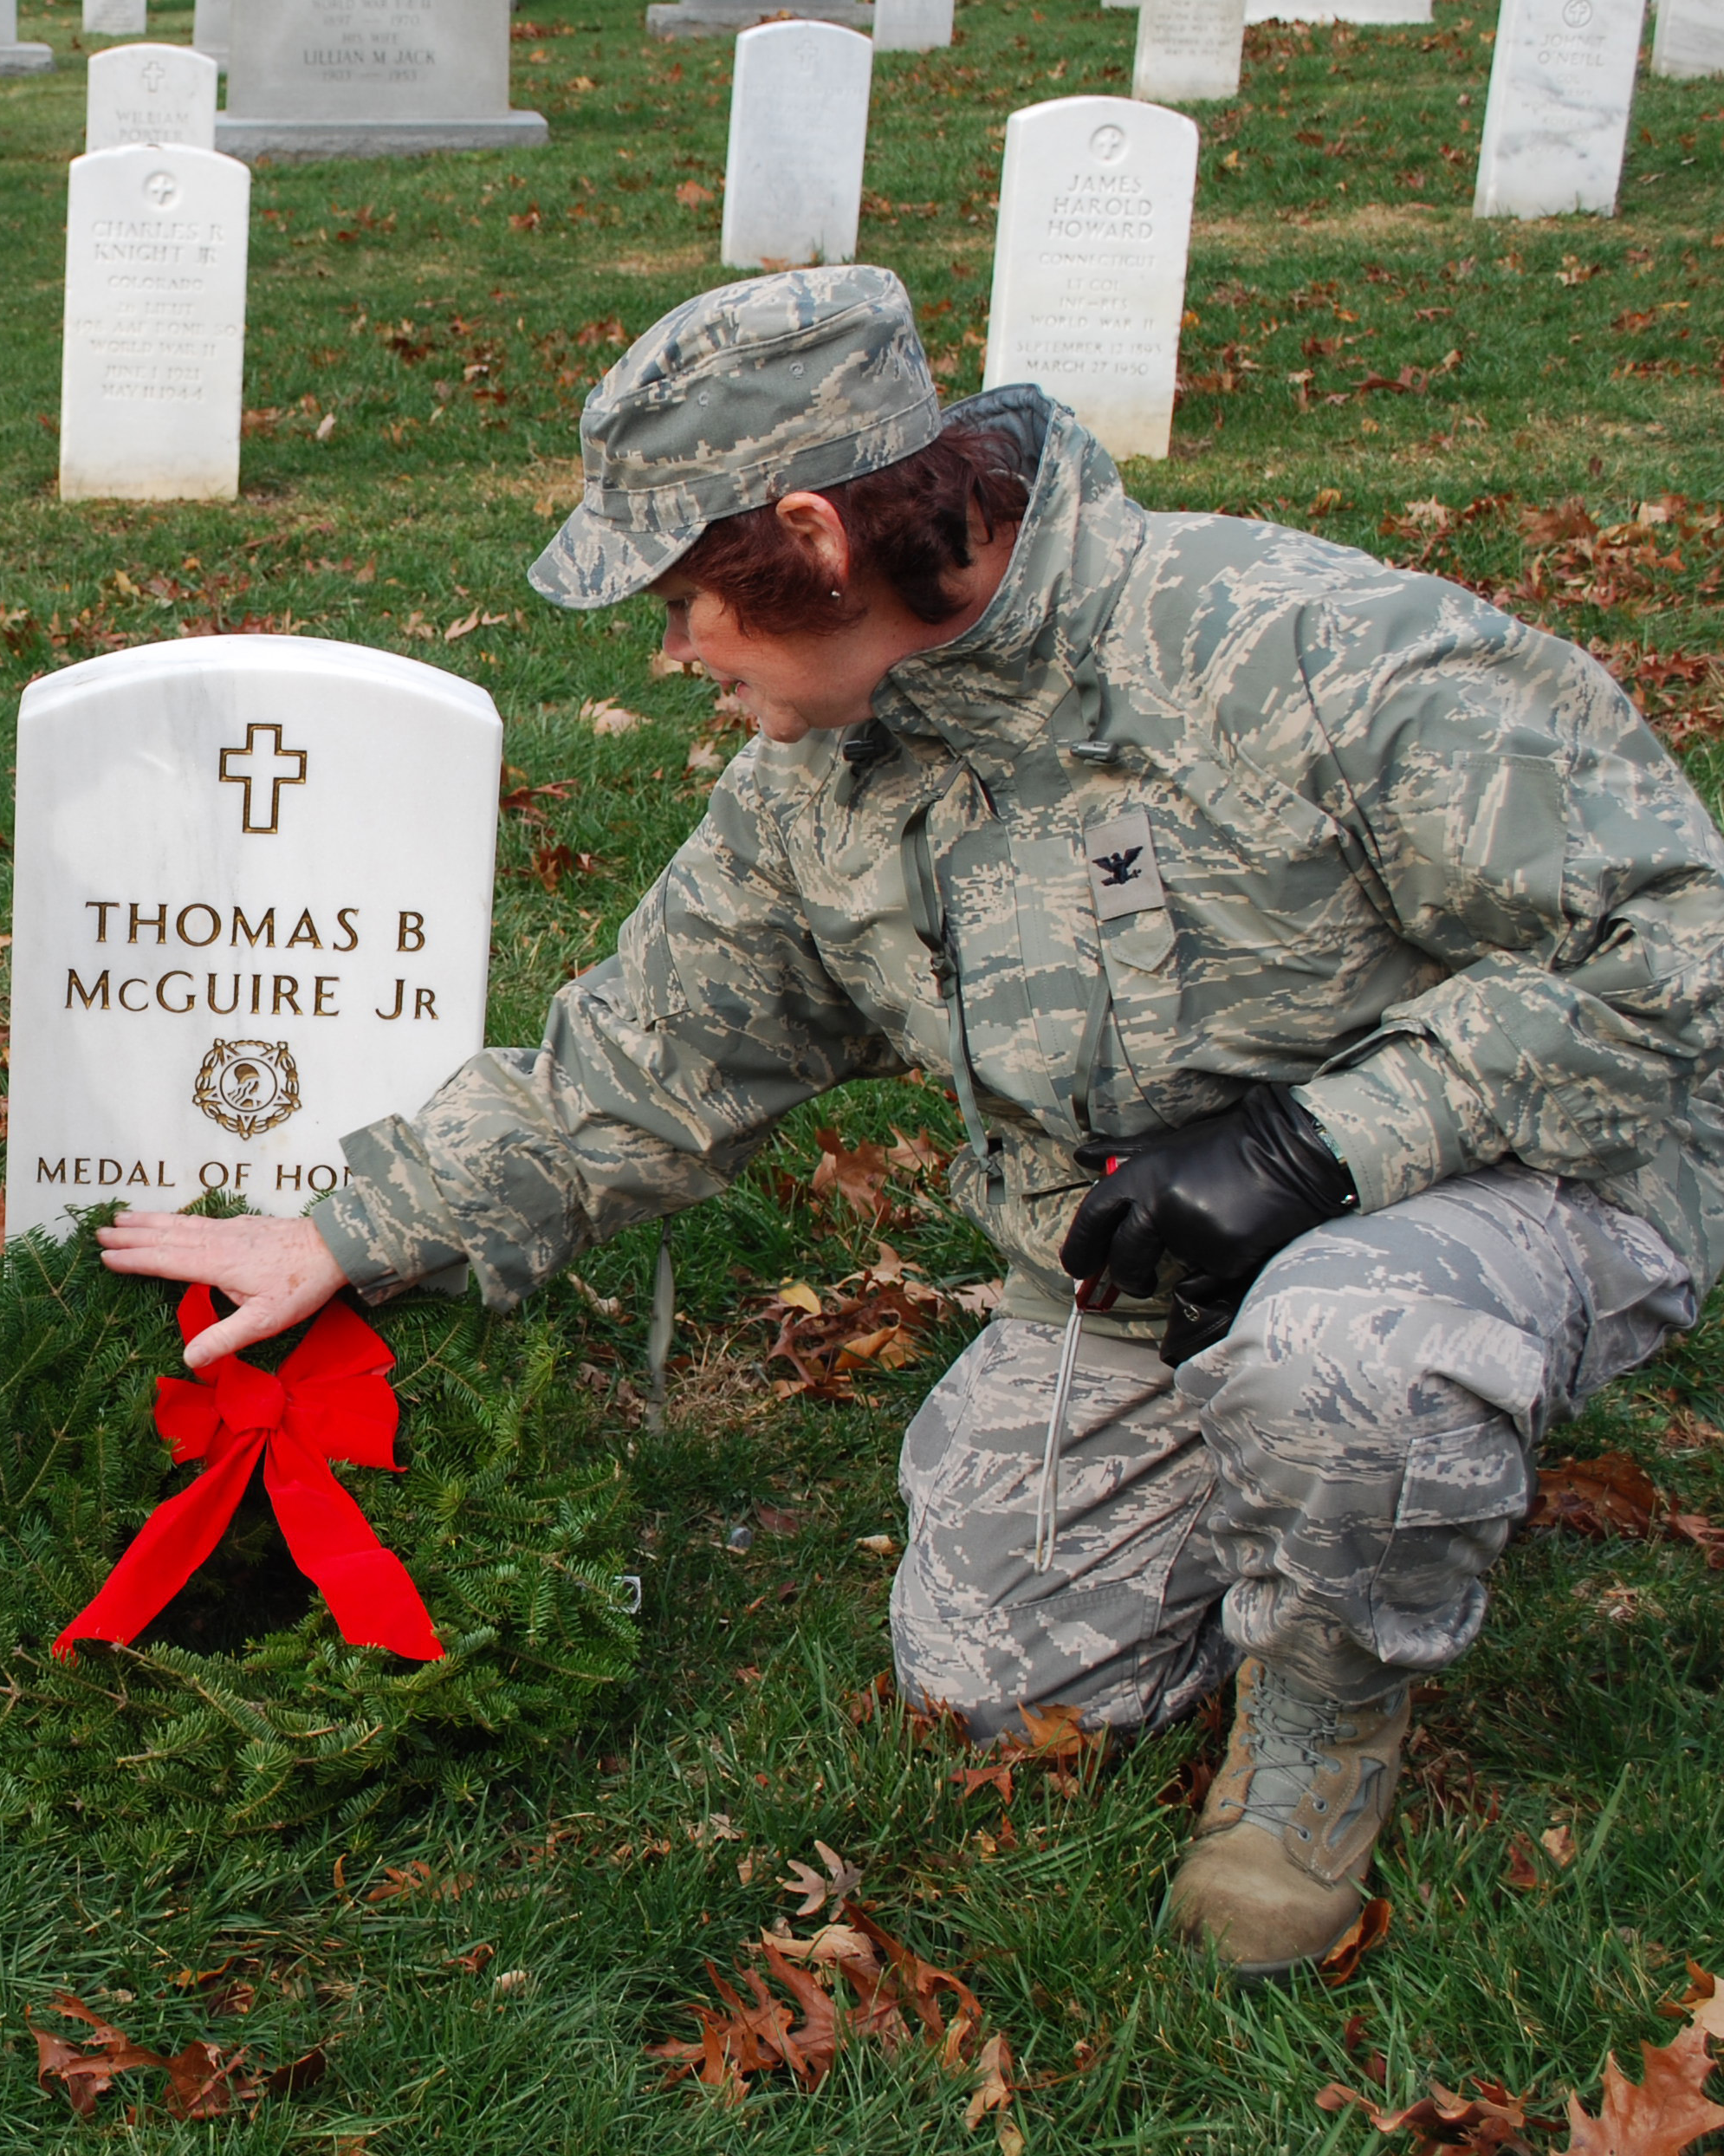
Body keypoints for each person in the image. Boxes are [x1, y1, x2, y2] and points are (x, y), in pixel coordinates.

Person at [100, 264, 1724, 1981]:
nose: (669, 658)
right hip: (1139, 1276)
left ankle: (1322, 1722)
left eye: (678, 602)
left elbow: (1671, 945)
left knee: (1347, 1358)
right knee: (989, 1677)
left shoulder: (1310, 658)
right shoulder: (822, 780)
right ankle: (1332, 1492)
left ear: (809, 537)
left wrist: (1320, 1147)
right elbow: (643, 1064)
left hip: (1514, 1184)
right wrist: (350, 1229)